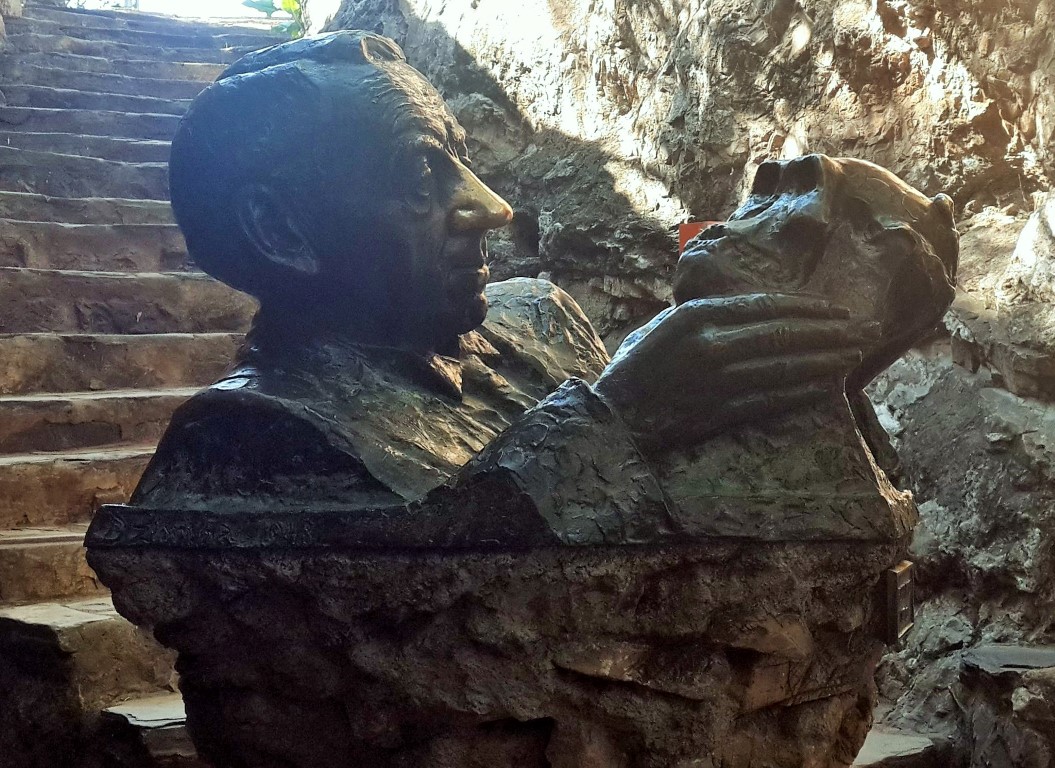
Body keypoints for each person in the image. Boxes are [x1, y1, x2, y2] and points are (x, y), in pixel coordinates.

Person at [131, 31, 872, 544]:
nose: (492, 207)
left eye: (462, 160)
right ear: (281, 229)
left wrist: (796, 371)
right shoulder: (249, 438)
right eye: (422, 172)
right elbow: (433, 584)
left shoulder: (540, 319)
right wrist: (620, 421)